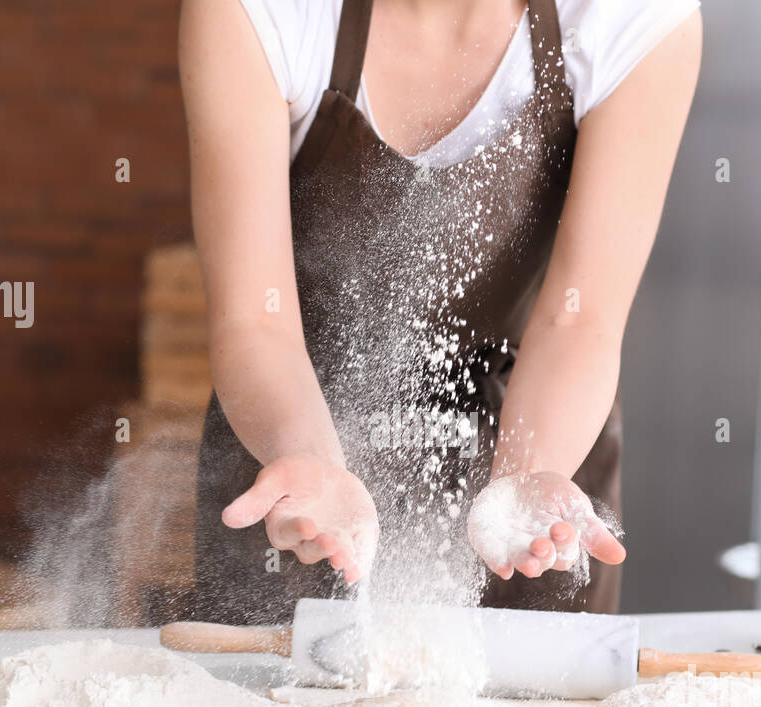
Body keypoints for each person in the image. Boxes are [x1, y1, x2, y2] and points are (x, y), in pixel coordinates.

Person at [180, 0, 701, 622]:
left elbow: (577, 321)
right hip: (294, 458)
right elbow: (254, 321)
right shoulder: (260, 11)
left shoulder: (630, 16)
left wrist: (523, 484)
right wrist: (308, 459)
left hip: (532, 440)